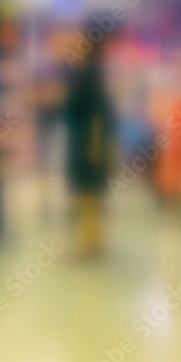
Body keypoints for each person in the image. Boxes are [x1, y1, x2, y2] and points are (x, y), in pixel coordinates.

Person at [62, 27, 115, 258]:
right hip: (84, 140)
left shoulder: (89, 76)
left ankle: (89, 244)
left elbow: (97, 115)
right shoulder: (90, 73)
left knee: (88, 194)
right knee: (89, 194)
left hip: (86, 143)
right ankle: (95, 240)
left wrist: (94, 148)